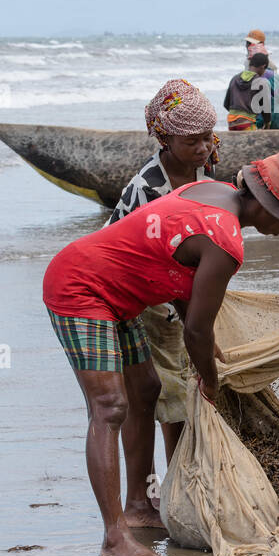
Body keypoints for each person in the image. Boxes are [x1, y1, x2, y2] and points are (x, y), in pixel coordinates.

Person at [43, 151, 279, 556]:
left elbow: (172, 267)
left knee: (149, 388)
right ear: (266, 205)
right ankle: (114, 537)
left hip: (121, 297)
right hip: (79, 288)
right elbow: (195, 330)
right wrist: (210, 381)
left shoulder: (210, 192)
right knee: (109, 407)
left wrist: (211, 354)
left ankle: (139, 507)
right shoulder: (226, 242)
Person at [107, 79, 219, 467]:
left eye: (207, 138)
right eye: (192, 141)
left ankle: (176, 475)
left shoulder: (200, 177)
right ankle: (174, 480)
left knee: (178, 382)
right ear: (165, 139)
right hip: (138, 295)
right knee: (168, 388)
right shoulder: (148, 189)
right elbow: (152, 260)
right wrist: (193, 318)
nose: (203, 148)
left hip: (169, 292)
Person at [224, 51, 272, 130]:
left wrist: (237, 115)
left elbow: (226, 104)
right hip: (247, 123)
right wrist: (267, 123)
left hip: (231, 123)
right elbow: (266, 108)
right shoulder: (262, 82)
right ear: (263, 66)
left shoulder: (234, 78)